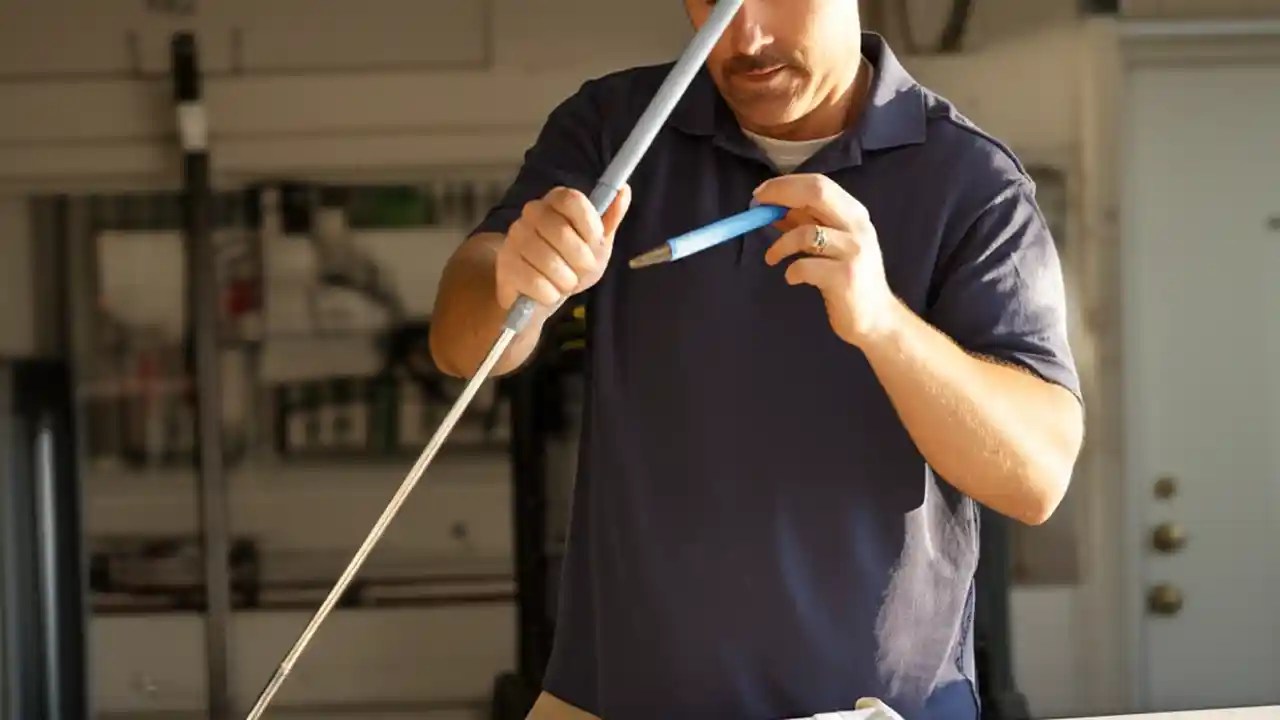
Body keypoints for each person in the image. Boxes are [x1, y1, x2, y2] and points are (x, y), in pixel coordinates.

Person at [429, 1, 1085, 718]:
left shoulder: (972, 180)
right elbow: (461, 346)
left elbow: (1036, 477)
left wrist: (883, 325)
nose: (745, 36)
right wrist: (512, 277)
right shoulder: (618, 128)